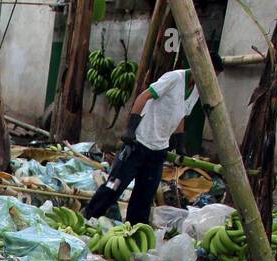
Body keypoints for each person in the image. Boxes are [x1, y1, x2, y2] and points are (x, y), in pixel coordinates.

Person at [83, 53, 223, 226]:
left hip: (158, 151)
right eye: (209, 75)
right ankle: (88, 216)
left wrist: (180, 145)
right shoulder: (174, 78)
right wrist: (131, 128)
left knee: (145, 194)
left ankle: (134, 229)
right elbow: (144, 96)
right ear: (199, 67)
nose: (209, 81)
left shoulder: (196, 90)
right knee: (113, 186)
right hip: (138, 144)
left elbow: (181, 116)